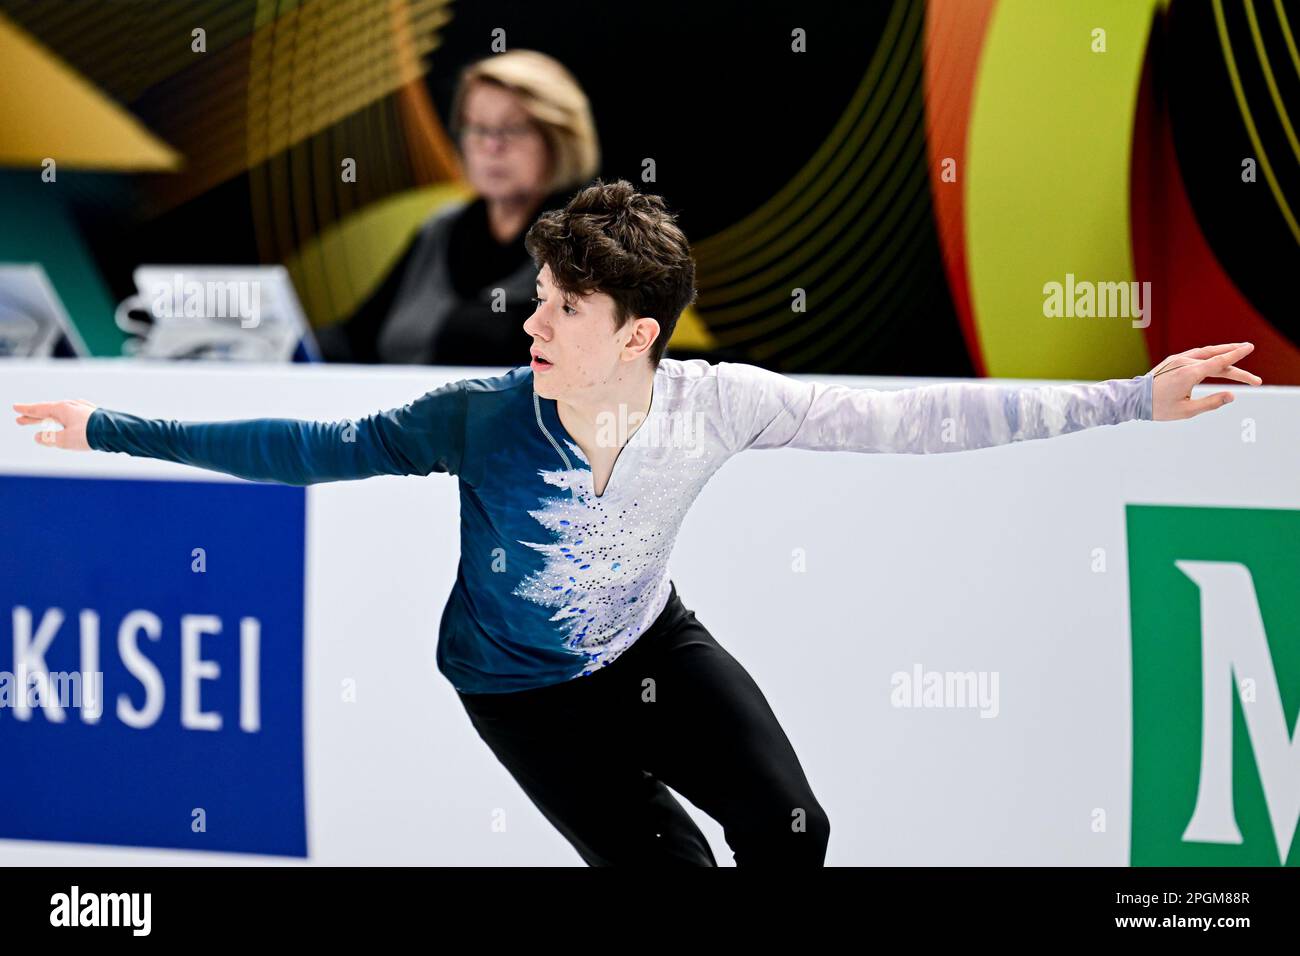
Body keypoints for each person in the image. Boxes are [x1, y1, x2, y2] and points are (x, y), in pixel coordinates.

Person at [14, 180, 1263, 866]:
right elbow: (307, 446)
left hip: (652, 647)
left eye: (561, 308)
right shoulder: (483, 415)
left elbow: (920, 418)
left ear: (637, 335)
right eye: (538, 299)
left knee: (793, 828)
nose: (531, 325)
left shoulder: (717, 407)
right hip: (516, 690)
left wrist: (1129, 399)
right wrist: (117, 428)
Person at [316, 49, 599, 366]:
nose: (491, 146)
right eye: (477, 128)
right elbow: (353, 339)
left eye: (513, 129)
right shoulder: (442, 229)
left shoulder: (586, 243)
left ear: (559, 138)